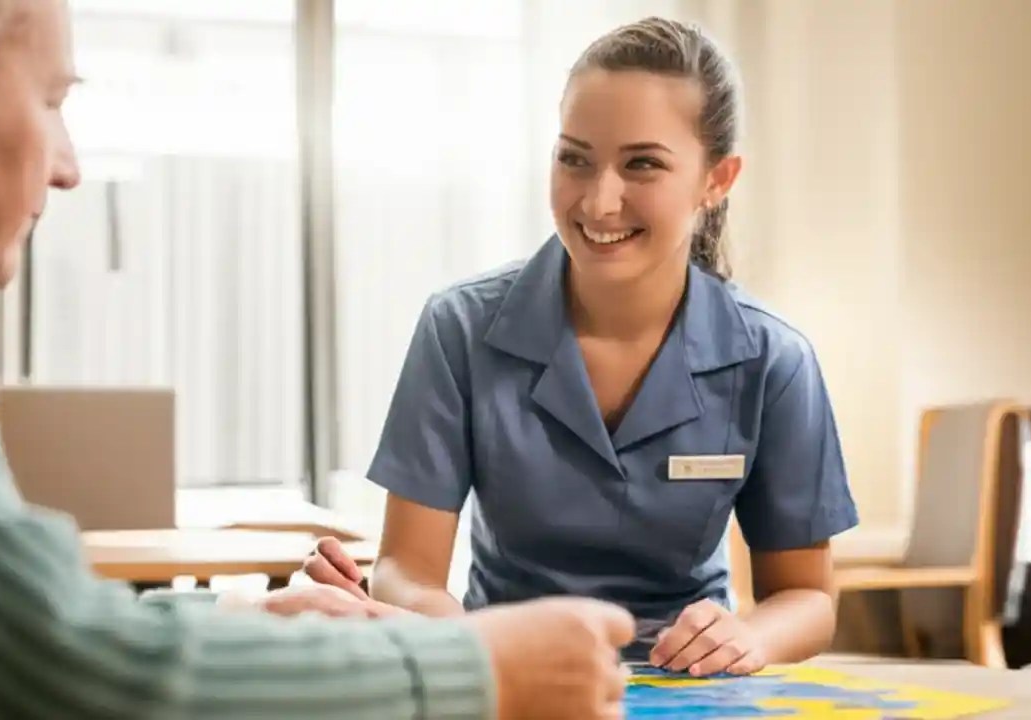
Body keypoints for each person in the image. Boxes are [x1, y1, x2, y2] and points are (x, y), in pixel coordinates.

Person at [0, 1, 636, 717]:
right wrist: (475, 673)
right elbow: (36, 666)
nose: (68, 167)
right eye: (52, 102)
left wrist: (241, 627)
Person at [308, 16, 859, 677]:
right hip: (507, 675)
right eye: (574, 158)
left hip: (691, 686)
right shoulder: (458, 329)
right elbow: (406, 569)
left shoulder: (774, 359)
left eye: (643, 164)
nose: (600, 202)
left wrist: (749, 638)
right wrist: (464, 642)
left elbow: (806, 595)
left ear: (717, 180)